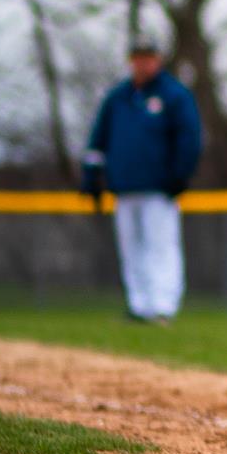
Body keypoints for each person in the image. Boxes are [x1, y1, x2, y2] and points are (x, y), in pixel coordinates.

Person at [81, 40, 204, 324]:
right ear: (130, 61)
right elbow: (97, 141)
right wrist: (91, 177)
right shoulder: (118, 97)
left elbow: (190, 139)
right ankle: (139, 306)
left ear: (158, 60)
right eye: (137, 58)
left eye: (148, 58)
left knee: (160, 246)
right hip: (124, 186)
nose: (143, 64)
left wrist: (180, 176)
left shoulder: (174, 95)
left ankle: (163, 306)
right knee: (131, 248)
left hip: (159, 189)